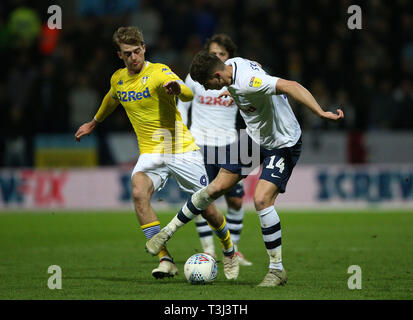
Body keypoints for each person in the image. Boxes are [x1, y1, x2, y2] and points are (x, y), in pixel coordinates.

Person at [146, 50, 344, 287]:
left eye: (207, 84)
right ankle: (166, 232)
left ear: (218, 75)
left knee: (261, 199)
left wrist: (320, 112)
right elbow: (256, 64)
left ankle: (276, 270)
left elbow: (291, 85)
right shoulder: (231, 67)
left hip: (282, 143)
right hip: (254, 139)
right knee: (215, 188)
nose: (207, 90)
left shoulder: (249, 83)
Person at [74, 27, 239, 280]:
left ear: (144, 49)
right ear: (120, 54)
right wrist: (93, 122)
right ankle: (165, 259)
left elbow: (187, 91)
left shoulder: (159, 71)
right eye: (127, 53)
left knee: (208, 210)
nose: (133, 57)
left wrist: (176, 88)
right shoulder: (118, 79)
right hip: (151, 153)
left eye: (137, 51)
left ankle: (228, 250)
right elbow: (111, 98)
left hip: (181, 149)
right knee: (139, 192)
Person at [177, 34, 252, 266]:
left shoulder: (237, 79)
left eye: (222, 53)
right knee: (202, 201)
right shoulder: (193, 77)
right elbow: (182, 107)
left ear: (228, 57)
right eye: (213, 53)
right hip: (199, 144)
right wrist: (182, 139)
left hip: (230, 143)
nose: (217, 57)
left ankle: (234, 250)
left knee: (236, 201)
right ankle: (208, 250)